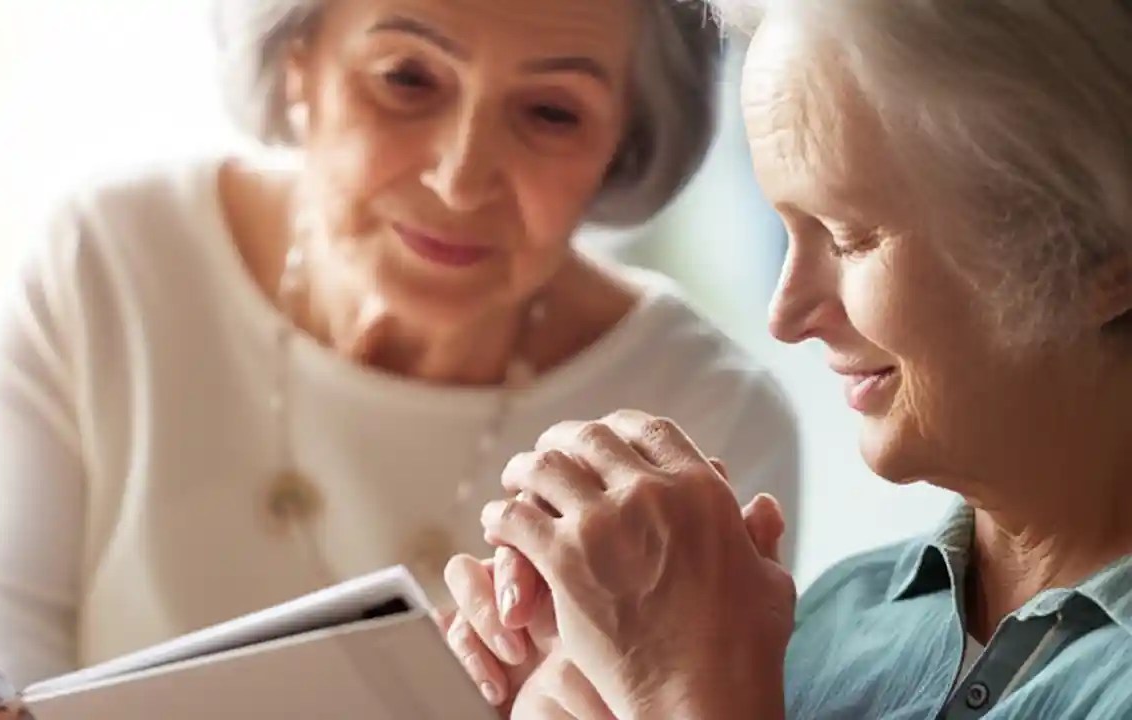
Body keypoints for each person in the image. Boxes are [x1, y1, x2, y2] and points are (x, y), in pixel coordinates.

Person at [0, 0, 800, 692]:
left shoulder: (698, 418)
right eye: (407, 79)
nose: (460, 174)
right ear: (299, 61)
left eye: (552, 113)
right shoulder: (111, 259)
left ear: (622, 143)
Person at [444, 0, 1132, 717]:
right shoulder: (831, 618)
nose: (787, 316)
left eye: (847, 237)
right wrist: (577, 689)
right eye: (786, 231)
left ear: (1105, 249)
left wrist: (685, 693)